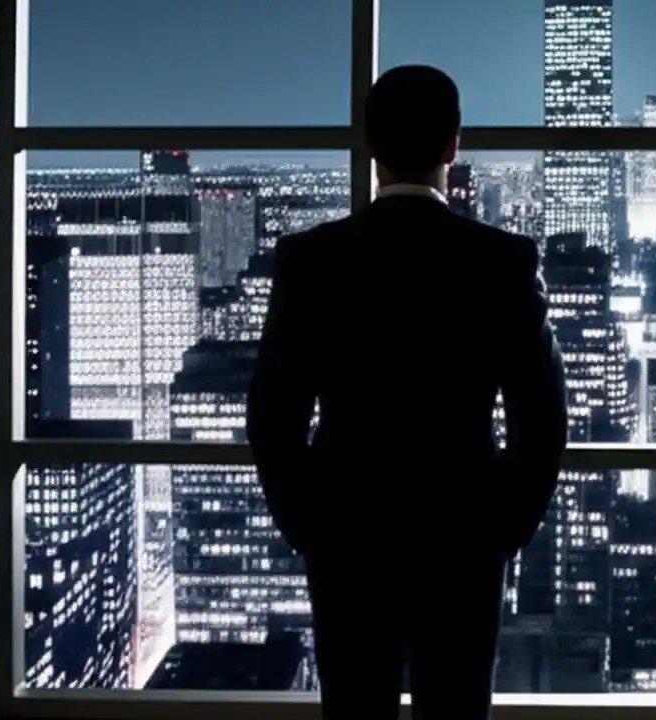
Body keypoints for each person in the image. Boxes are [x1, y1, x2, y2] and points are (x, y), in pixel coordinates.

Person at [246, 64, 568, 720]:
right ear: (453, 145)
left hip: (348, 541)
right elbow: (543, 418)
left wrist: (311, 525)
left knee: (355, 712)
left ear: (370, 147)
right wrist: (504, 529)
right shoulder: (502, 262)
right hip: (462, 543)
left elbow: (272, 417)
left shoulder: (312, 260)